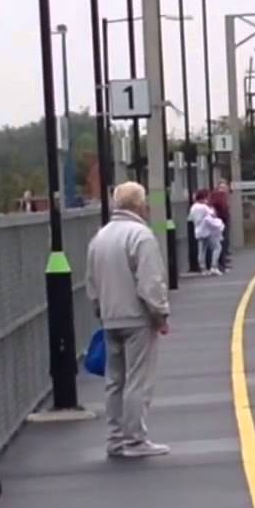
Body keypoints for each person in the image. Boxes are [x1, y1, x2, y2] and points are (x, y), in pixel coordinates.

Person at [86, 181, 171, 458]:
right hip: (137, 317)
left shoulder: (100, 237)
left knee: (115, 381)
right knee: (138, 380)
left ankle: (115, 438)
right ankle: (135, 439)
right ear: (139, 204)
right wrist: (160, 313)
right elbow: (150, 282)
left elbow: (91, 282)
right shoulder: (141, 236)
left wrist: (100, 309)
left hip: (110, 317)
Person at [187, 189, 211, 275]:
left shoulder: (193, 207)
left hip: (198, 230)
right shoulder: (204, 207)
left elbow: (190, 218)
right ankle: (208, 266)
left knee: (201, 250)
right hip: (206, 230)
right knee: (207, 249)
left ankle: (202, 267)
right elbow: (212, 214)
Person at [210, 180, 231, 271]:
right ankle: (220, 264)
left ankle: (223, 262)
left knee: (223, 242)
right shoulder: (218, 197)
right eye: (221, 188)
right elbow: (222, 210)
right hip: (219, 223)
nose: (223, 190)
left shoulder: (223, 197)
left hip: (222, 222)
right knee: (221, 243)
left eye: (224, 188)